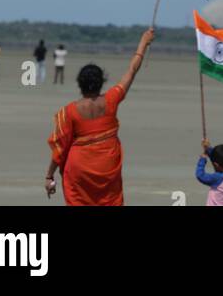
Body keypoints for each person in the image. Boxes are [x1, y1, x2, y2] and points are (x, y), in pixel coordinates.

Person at [44, 28, 154, 205]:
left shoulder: (69, 111)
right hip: (107, 165)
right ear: (101, 82)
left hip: (79, 168)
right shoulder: (111, 99)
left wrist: (49, 176)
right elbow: (132, 69)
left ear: (80, 83)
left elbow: (60, 149)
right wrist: (143, 42)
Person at [196, 138, 223, 205]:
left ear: (216, 165)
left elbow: (200, 176)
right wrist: (208, 148)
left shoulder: (218, 178)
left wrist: (202, 160)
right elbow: (221, 158)